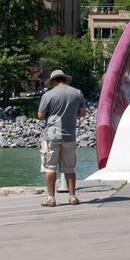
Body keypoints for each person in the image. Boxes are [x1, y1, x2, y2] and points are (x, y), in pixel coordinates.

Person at [36, 70, 88, 207]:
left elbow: (40, 115)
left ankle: (51, 198)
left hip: (51, 136)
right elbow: (82, 113)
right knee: (69, 168)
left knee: (50, 168)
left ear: (53, 81)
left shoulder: (48, 95)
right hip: (69, 136)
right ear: (64, 79)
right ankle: (72, 196)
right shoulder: (77, 93)